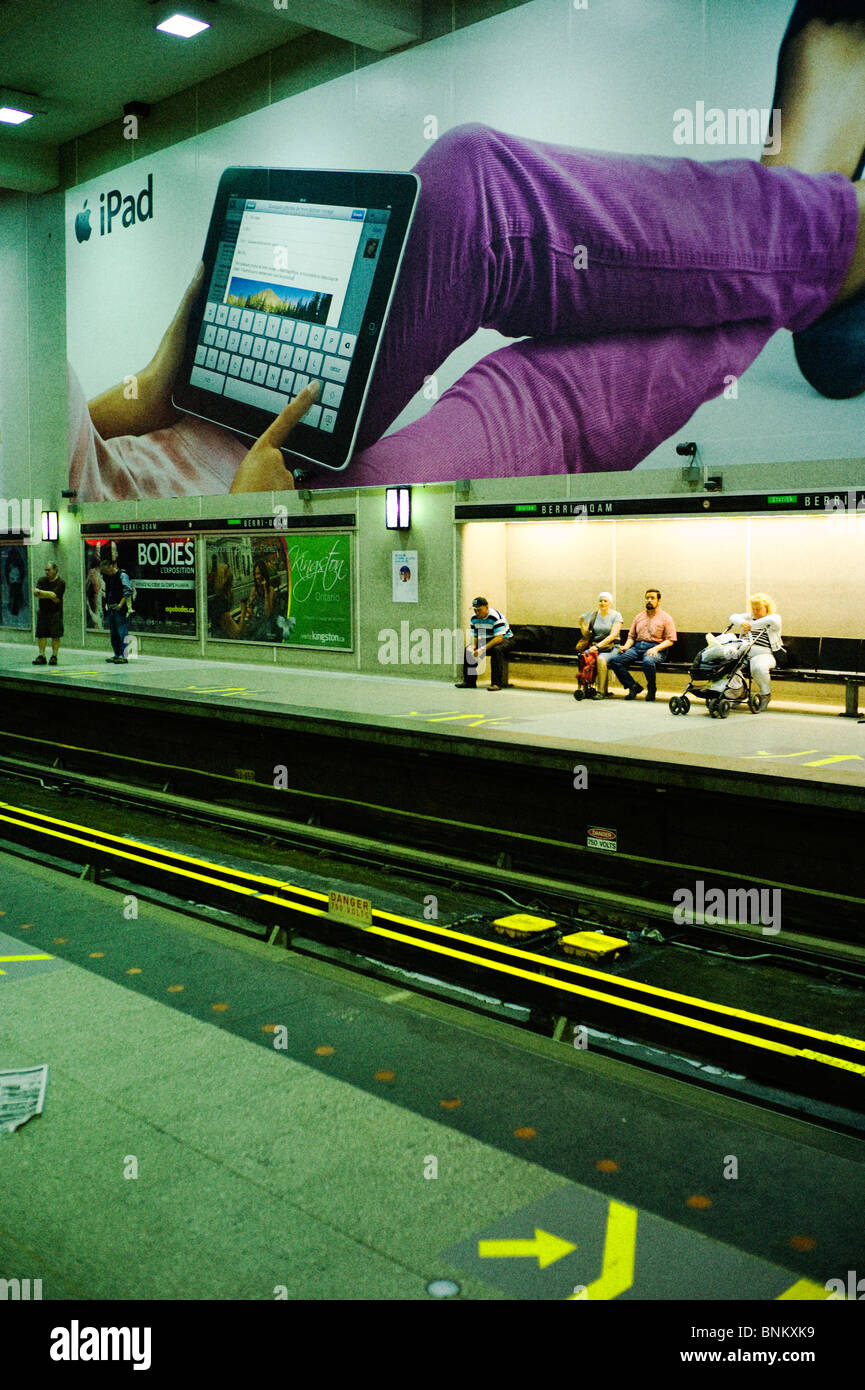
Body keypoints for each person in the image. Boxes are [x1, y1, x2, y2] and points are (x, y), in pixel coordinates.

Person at [69, 10, 865, 499]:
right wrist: (243, 533)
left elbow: (76, 439)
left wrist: (162, 377)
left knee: (475, 189)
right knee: (540, 389)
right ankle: (826, 232)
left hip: (220, 437)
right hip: (241, 535)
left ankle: (820, 236)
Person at [699, 594, 783, 712]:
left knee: (758, 667)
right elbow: (733, 617)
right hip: (743, 652)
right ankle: (738, 692)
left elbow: (772, 620)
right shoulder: (748, 617)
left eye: (758, 609)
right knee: (727, 666)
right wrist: (742, 623)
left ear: (766, 608)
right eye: (753, 608)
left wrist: (750, 625)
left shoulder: (774, 618)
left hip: (763, 654)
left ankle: (765, 695)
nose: (755, 611)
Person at [607, 589, 677, 701]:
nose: (649, 600)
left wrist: (656, 648)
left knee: (648, 662)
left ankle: (651, 689)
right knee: (615, 661)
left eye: (652, 598)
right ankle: (632, 686)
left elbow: (670, 640)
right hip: (638, 647)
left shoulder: (666, 618)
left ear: (659, 600)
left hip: (656, 648)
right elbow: (631, 637)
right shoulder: (639, 617)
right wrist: (625, 646)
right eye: (647, 598)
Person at [455, 597, 515, 691]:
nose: (477, 613)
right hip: (487, 639)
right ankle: (469, 682)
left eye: (479, 610)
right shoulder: (474, 618)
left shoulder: (496, 617)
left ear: (486, 607)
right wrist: (475, 646)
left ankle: (496, 684)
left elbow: (498, 639)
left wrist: (482, 649)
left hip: (505, 639)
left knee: (497, 651)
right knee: (469, 650)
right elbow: (475, 635)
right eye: (475, 610)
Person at [576, 592, 623, 698]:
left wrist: (597, 646)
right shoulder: (594, 615)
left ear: (610, 602)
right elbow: (587, 635)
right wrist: (582, 624)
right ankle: (586, 687)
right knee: (585, 658)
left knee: (601, 659)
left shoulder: (616, 615)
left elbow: (613, 635)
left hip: (611, 647)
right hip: (595, 646)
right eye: (600, 601)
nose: (603, 603)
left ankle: (601, 691)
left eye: (605, 601)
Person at [100, 547, 134, 663]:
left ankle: (124, 656)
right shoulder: (108, 577)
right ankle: (117, 654)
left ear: (111, 567)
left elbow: (128, 590)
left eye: (106, 570)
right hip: (111, 607)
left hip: (119, 608)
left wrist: (121, 604)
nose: (106, 573)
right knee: (114, 633)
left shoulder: (122, 575)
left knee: (122, 631)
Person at [32, 562, 65, 666]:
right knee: (41, 634)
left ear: (55, 570)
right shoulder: (42, 580)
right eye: (45, 570)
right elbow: (36, 593)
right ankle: (41, 655)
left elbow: (55, 597)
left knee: (55, 635)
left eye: (49, 570)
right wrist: (49, 595)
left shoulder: (61, 582)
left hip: (55, 612)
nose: (47, 572)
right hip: (43, 611)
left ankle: (54, 656)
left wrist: (42, 593)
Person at [240, 560, 281, 643]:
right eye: (255, 574)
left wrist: (265, 590)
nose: (256, 577)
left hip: (269, 622)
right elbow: (249, 609)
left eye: (258, 573)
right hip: (258, 621)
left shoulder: (270, 590)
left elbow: (268, 613)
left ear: (263, 574)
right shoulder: (254, 590)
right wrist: (248, 607)